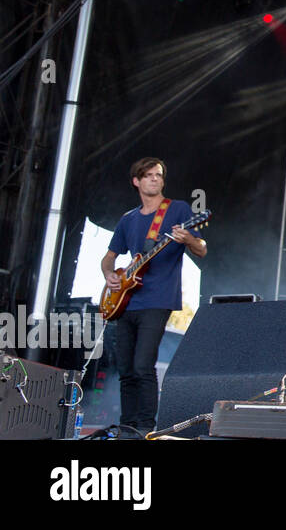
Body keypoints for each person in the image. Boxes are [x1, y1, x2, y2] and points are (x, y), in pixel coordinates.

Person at [100, 157, 206, 436]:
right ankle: (127, 425)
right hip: (125, 301)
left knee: (142, 365)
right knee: (124, 369)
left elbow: (202, 249)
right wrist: (110, 275)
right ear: (136, 181)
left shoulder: (178, 209)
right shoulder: (129, 219)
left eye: (158, 175)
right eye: (148, 175)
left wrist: (189, 239)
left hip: (157, 300)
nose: (154, 179)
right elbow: (109, 258)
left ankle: (146, 427)